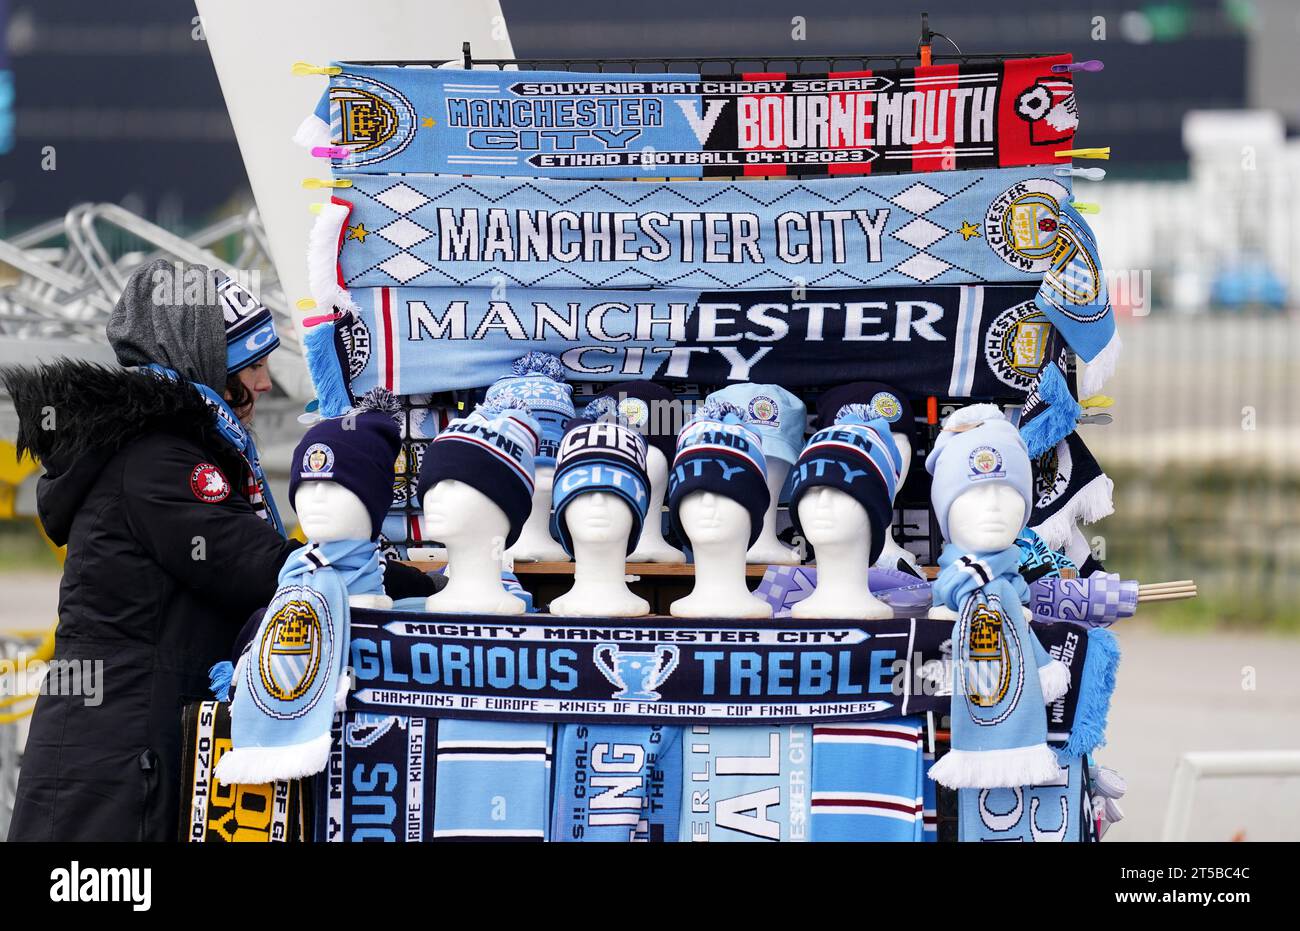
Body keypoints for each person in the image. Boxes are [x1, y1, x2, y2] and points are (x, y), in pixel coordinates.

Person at [1, 258, 436, 841]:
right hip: (120, 765)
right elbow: (256, 567)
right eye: (251, 363)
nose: (264, 382)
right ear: (202, 358)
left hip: (126, 751)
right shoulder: (158, 459)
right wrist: (412, 583)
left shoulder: (167, 447)